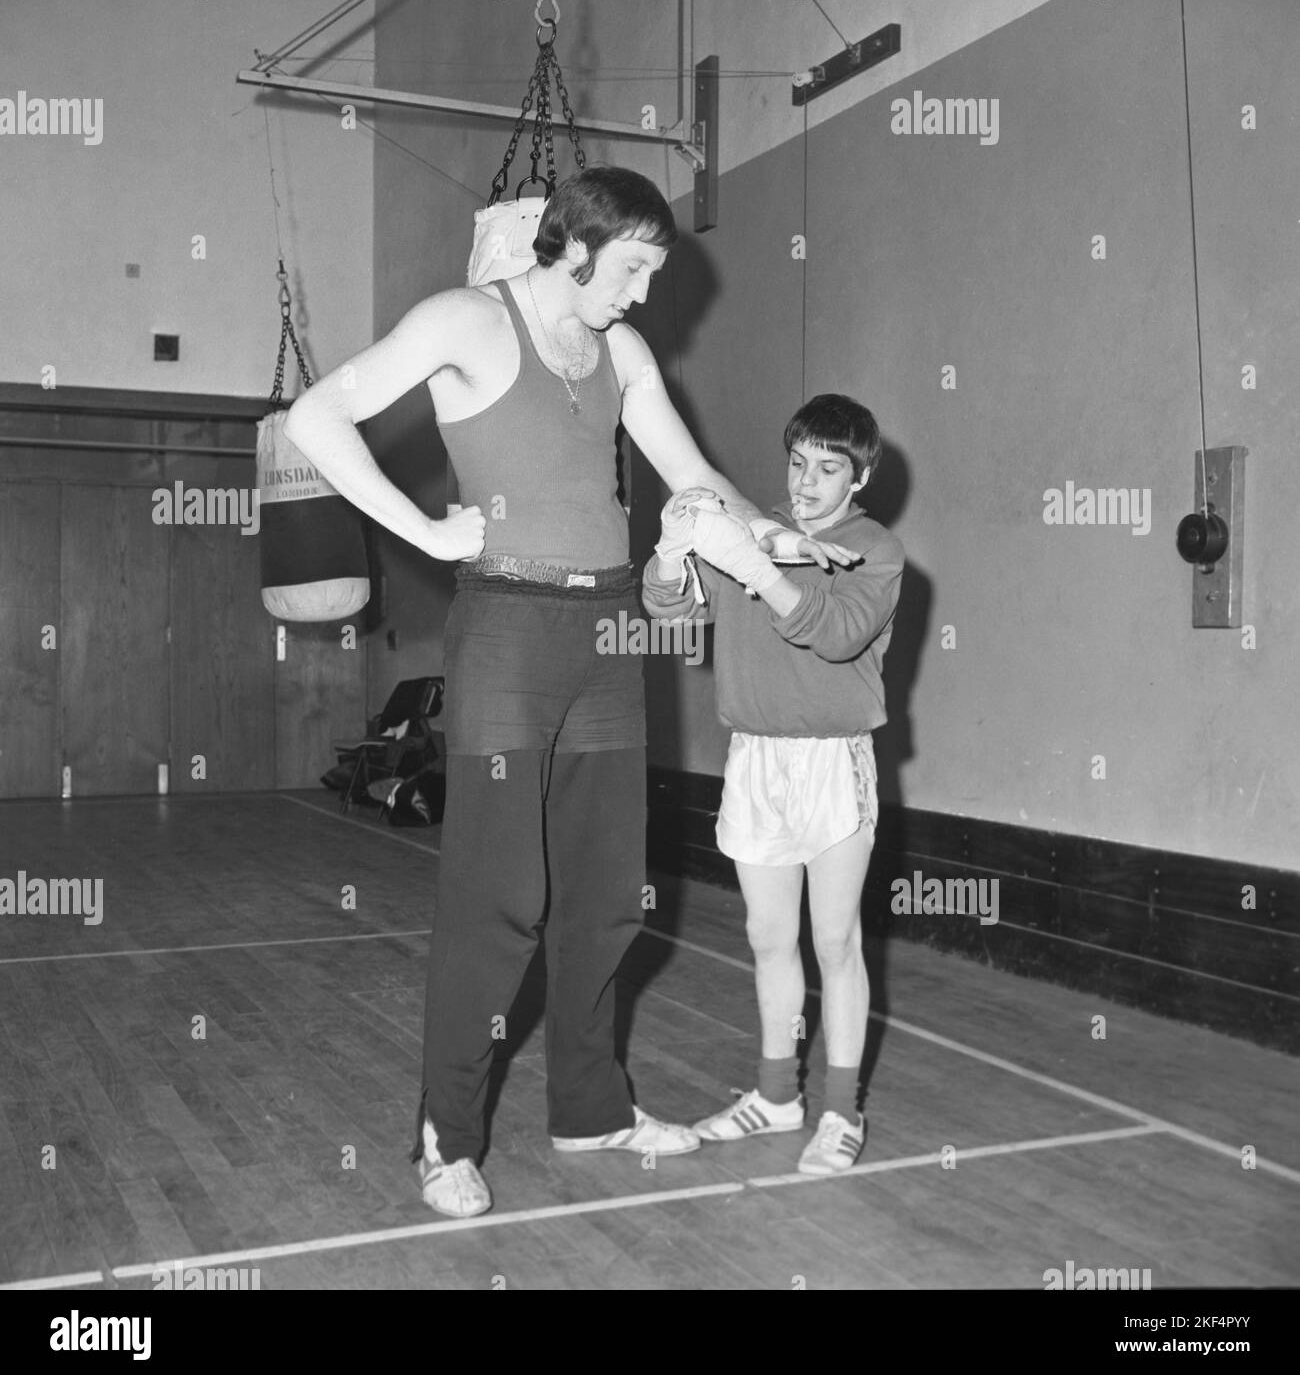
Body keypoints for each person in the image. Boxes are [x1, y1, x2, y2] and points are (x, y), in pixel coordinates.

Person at [283, 166, 859, 1217]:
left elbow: (693, 477)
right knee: (499, 898)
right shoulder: (462, 319)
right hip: (504, 625)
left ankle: (592, 1108)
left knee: (604, 900)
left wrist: (767, 534)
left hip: (608, 630)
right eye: (633, 267)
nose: (640, 294)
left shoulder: (622, 352)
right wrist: (420, 532)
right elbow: (315, 415)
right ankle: (443, 1137)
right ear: (579, 243)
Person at [642, 393, 904, 1174]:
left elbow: (834, 633)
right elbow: (669, 616)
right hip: (754, 757)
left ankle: (840, 1111)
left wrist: (750, 560)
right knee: (766, 936)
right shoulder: (751, 530)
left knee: (835, 938)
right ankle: (776, 1096)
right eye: (799, 463)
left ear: (859, 478)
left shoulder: (876, 550)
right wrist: (671, 549)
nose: (808, 481)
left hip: (831, 758)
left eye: (829, 469)